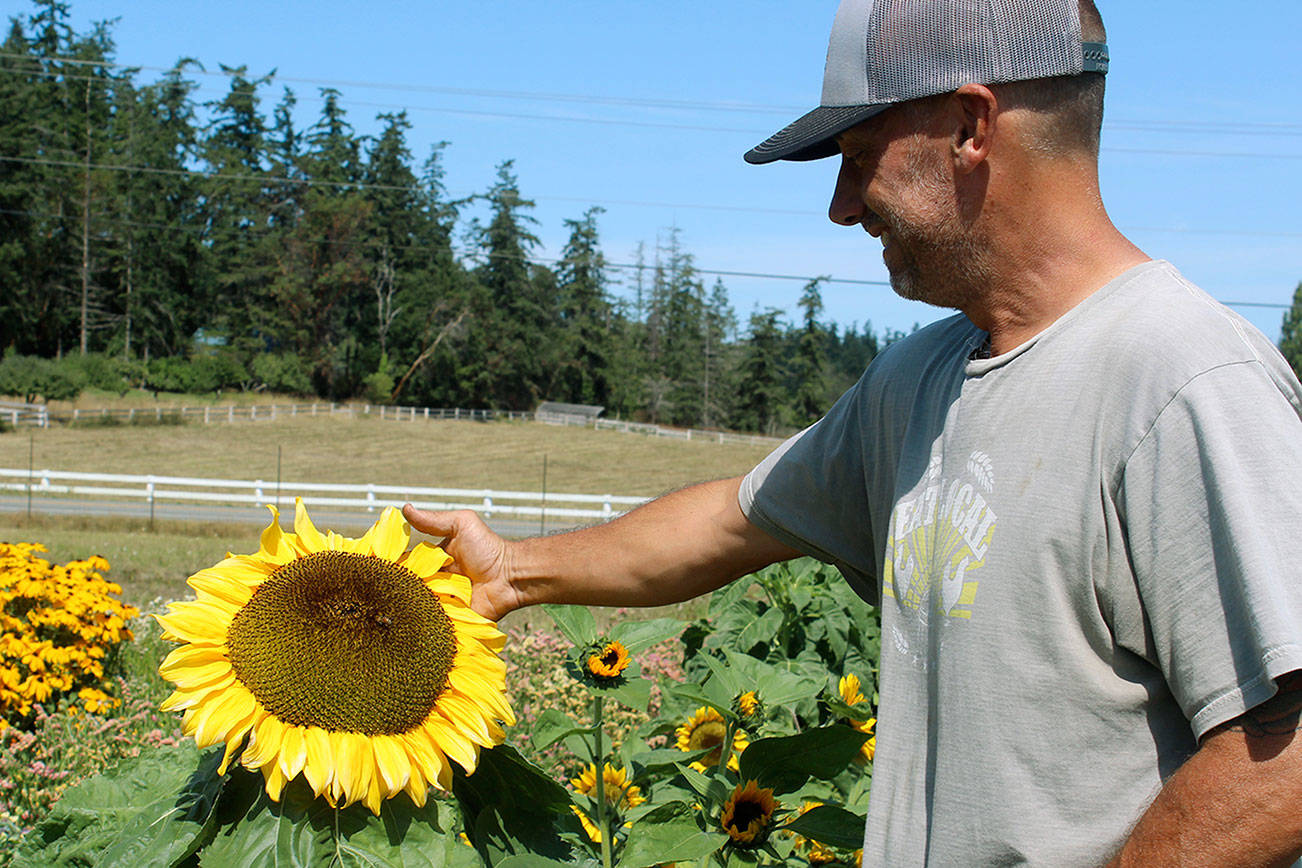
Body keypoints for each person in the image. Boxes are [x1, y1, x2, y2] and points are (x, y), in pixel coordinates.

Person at [405, 0, 1302, 863]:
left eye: (858, 153)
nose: (841, 204)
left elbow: (1288, 759)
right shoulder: (917, 382)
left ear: (969, 127)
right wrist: (513, 570)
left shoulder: (1184, 378)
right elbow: (730, 520)